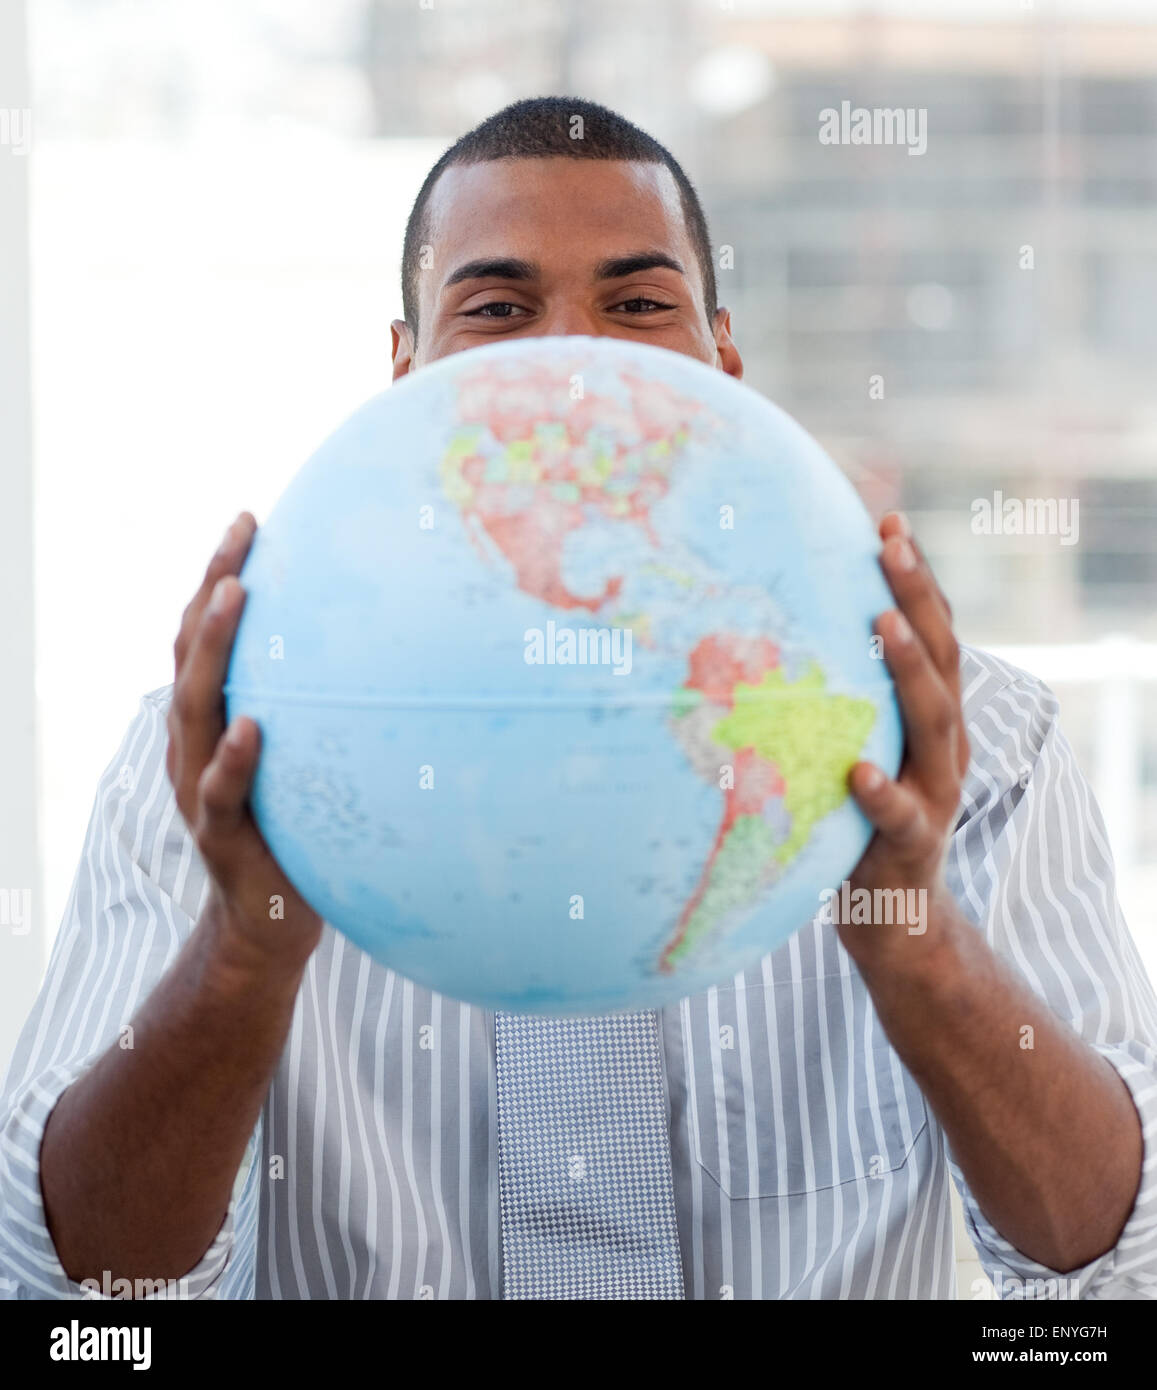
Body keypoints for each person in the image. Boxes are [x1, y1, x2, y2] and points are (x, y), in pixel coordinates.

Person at [3, 97, 1156, 1302]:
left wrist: (911, 943)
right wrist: (244, 956)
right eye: (497, 308)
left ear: (725, 364)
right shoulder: (217, 759)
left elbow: (1109, 1271)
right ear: (405, 375)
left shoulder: (965, 743)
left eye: (636, 304)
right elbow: (80, 1294)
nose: (572, 361)